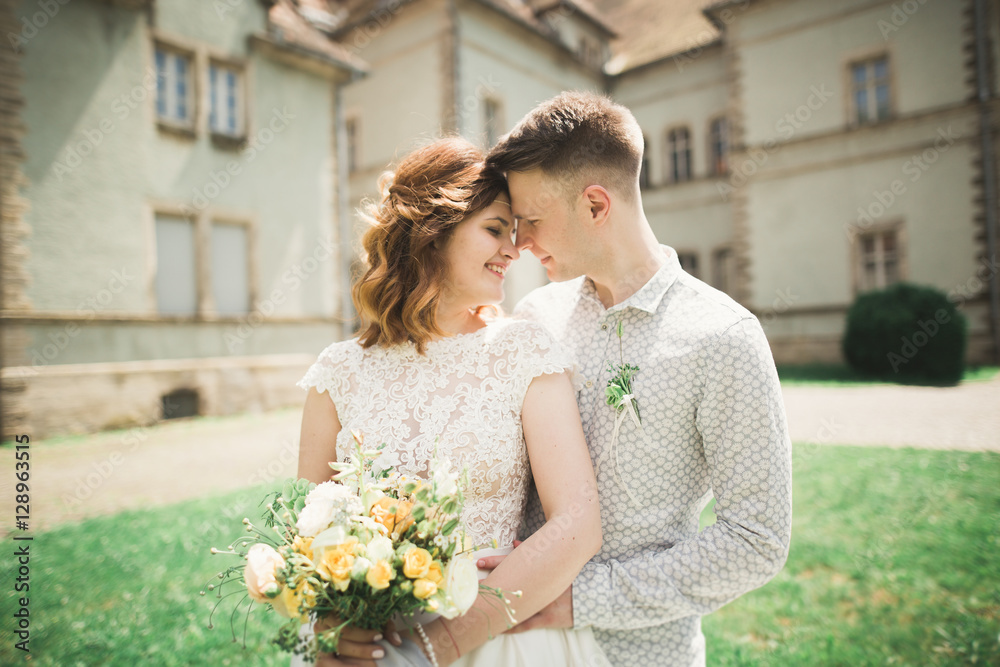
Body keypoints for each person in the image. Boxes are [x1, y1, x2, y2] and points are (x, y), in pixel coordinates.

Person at [475, 91, 794, 667]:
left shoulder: (723, 336)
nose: (518, 244)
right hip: (513, 646)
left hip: (642, 655)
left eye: (533, 222)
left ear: (596, 205)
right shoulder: (535, 320)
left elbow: (756, 540)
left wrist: (580, 600)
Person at [294, 137, 608, 667]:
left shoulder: (523, 351)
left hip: (495, 639)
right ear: (432, 234)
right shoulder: (337, 373)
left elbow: (577, 524)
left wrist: (440, 646)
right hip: (366, 649)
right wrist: (330, 629)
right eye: (493, 230)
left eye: (513, 234)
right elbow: (306, 534)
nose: (513, 250)